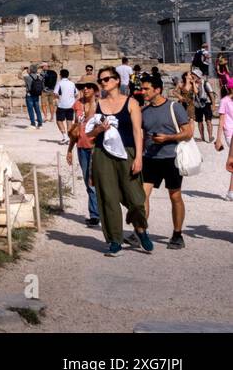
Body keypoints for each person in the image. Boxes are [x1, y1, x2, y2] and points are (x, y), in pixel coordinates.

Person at [85, 66, 153, 256]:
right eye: (101, 81)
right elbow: (88, 134)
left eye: (106, 79)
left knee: (136, 198)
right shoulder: (96, 103)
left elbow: (137, 132)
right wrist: (98, 130)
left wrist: (139, 157)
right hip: (102, 154)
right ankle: (115, 240)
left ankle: (140, 229)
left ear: (117, 80)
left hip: (127, 152)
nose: (103, 83)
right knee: (108, 198)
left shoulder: (131, 103)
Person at [138, 72, 191, 250]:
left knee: (175, 196)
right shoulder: (143, 111)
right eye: (142, 88)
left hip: (171, 158)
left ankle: (177, 234)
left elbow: (188, 132)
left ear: (157, 90)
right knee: (142, 196)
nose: (142, 92)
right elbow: (140, 135)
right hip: (150, 158)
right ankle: (141, 230)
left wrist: (168, 138)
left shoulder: (174, 107)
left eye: (146, 89)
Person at [64, 80, 99, 226]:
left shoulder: (99, 105)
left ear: (95, 89)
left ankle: (97, 213)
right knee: (87, 180)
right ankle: (95, 213)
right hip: (81, 146)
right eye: (82, 87)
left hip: (96, 147)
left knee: (94, 180)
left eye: (89, 87)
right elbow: (75, 129)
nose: (85, 89)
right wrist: (69, 149)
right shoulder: (77, 104)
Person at [216, 88, 233, 200]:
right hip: (230, 133)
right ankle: (231, 192)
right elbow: (221, 120)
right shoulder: (225, 101)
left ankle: (231, 192)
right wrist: (218, 139)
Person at [190, 68, 215, 143]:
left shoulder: (205, 83)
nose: (192, 76)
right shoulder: (193, 84)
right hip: (197, 104)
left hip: (206, 103)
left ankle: (210, 136)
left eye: (193, 75)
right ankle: (202, 137)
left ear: (197, 75)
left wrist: (213, 104)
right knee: (199, 121)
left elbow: (211, 94)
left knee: (208, 120)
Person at [54, 68, 77, 145]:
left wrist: (59, 98)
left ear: (60, 75)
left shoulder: (59, 83)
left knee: (59, 121)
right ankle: (69, 138)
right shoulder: (72, 83)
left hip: (62, 105)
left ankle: (65, 137)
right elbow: (76, 93)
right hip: (71, 105)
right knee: (69, 121)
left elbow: (55, 93)